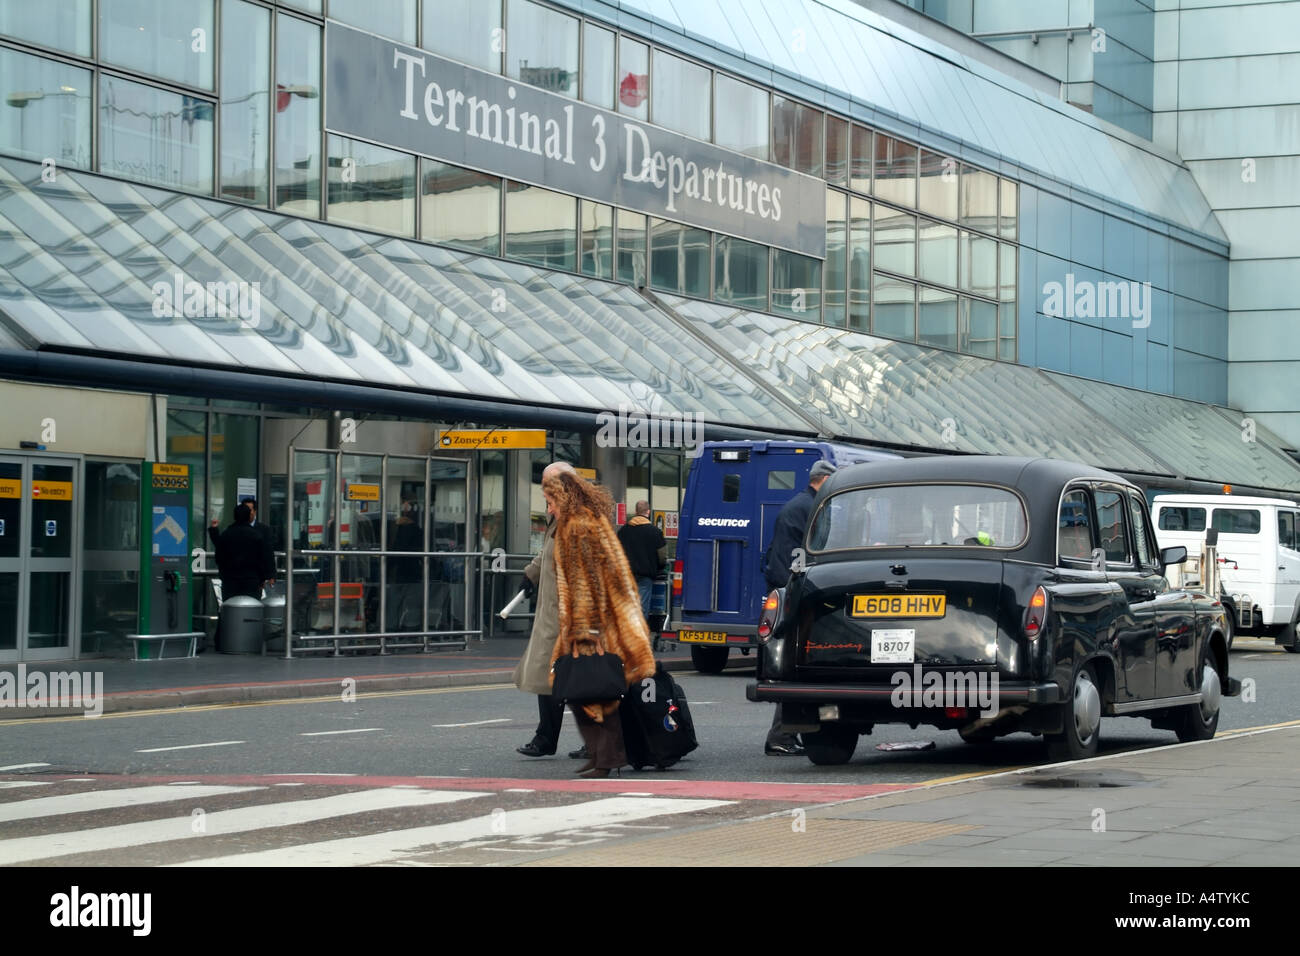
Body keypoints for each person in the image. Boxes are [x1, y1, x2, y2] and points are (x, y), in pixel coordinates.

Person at [545, 468, 656, 777]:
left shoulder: (577, 526)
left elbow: (585, 581)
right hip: (602, 618)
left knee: (589, 689)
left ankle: (606, 758)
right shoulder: (587, 519)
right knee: (587, 689)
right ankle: (602, 755)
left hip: (593, 623)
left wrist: (585, 628)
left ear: (563, 497)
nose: (549, 508)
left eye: (550, 501)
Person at [760, 459, 837, 756]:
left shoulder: (798, 504)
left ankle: (788, 734)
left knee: (796, 667)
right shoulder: (810, 508)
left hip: (785, 587)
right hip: (794, 593)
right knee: (796, 668)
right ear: (823, 480)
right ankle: (781, 736)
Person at [514, 462, 586, 760]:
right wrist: (531, 574)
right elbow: (547, 554)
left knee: (582, 681)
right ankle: (546, 738)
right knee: (552, 677)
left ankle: (595, 740)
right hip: (553, 615)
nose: (546, 496)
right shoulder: (560, 517)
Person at [215, 503, 276, 601]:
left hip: (230, 581)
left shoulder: (226, 534)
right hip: (251, 580)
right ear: (249, 516)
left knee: (231, 609)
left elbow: (219, 558)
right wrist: (264, 578)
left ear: (234, 516)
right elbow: (264, 557)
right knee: (251, 609)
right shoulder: (256, 535)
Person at [617, 500, 667, 618]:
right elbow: (662, 556)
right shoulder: (655, 532)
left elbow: (616, 552)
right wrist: (660, 567)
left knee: (627, 606)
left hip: (626, 575)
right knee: (641, 608)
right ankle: (639, 633)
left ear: (635, 512)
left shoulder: (623, 531)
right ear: (648, 512)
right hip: (645, 576)